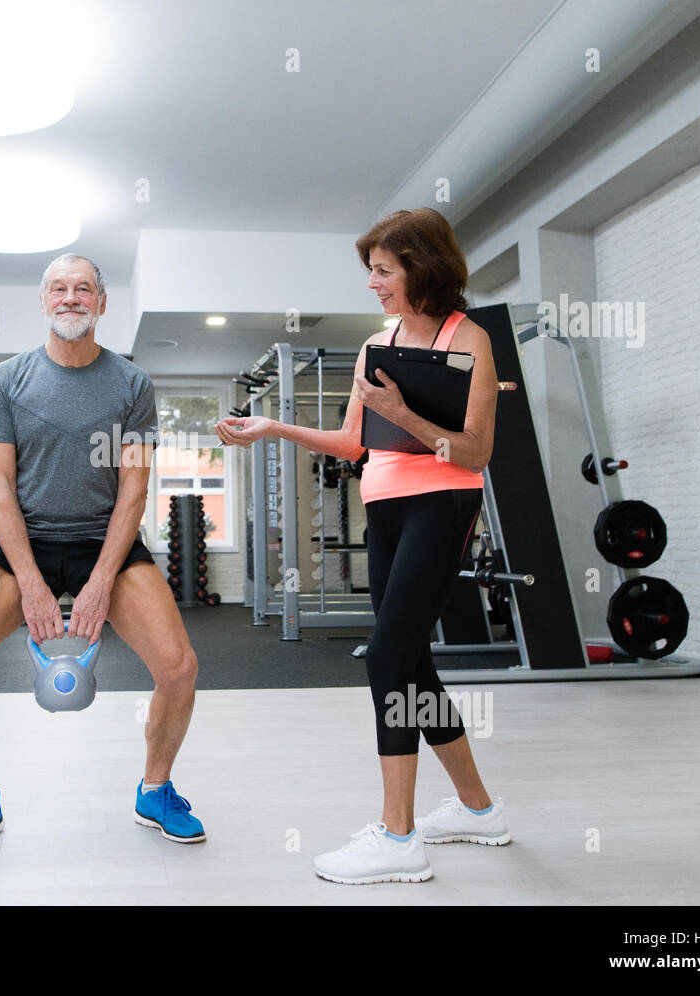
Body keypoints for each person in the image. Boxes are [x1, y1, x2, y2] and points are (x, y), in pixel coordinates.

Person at [215, 208, 509, 884]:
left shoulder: (471, 339)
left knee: (385, 657)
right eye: (370, 272)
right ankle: (478, 808)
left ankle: (399, 838)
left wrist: (405, 414)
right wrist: (271, 427)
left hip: (442, 500)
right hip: (383, 504)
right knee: (413, 664)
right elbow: (353, 442)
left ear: (421, 268)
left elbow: (476, 449)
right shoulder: (380, 345)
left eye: (383, 271)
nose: (373, 284)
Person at [0, 253, 205, 854]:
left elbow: (133, 490)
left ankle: (156, 790)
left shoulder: (132, 383)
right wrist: (32, 583)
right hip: (25, 543)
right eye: (59, 289)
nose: (70, 298)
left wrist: (100, 583)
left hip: (108, 542)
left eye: (83, 289)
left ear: (101, 304)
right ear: (44, 301)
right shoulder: (6, 382)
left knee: (179, 668)